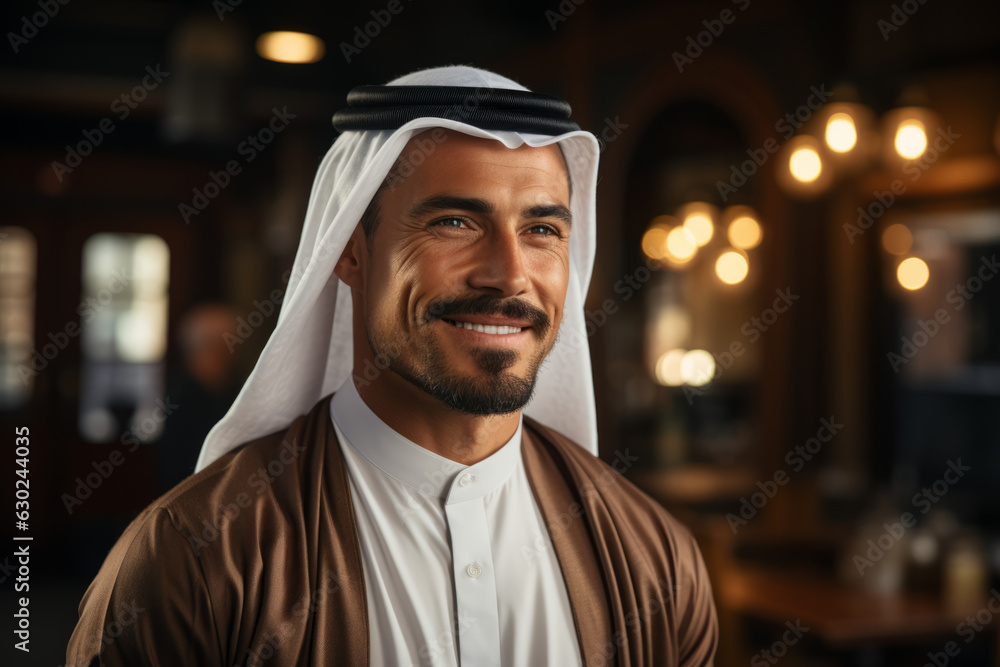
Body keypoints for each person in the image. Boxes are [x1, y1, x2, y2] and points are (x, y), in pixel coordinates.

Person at [66, 65, 718, 666]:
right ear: (349, 252)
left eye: (542, 230)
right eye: (456, 221)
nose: (510, 274)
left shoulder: (654, 560)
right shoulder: (196, 557)